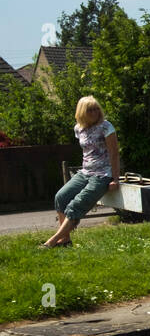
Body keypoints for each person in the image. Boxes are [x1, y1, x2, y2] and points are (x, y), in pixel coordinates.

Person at [43, 96, 119, 248]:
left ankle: (52, 241)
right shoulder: (79, 128)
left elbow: (114, 153)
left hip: (102, 174)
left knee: (76, 205)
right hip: (85, 172)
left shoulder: (106, 126)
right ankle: (65, 240)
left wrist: (115, 179)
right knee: (61, 197)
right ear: (82, 112)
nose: (95, 112)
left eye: (97, 108)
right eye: (90, 109)